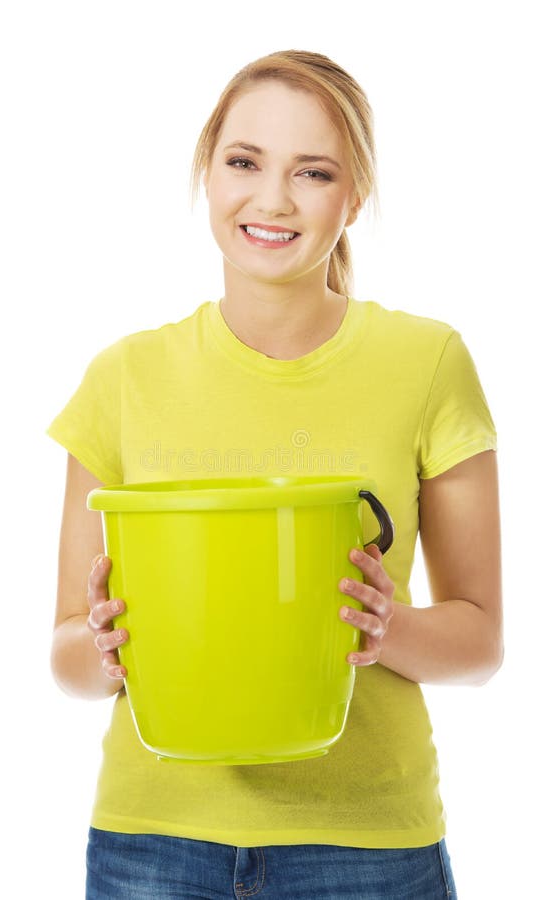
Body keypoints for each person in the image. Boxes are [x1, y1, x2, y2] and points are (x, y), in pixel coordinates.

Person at [46, 49, 503, 899]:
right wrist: (104, 650)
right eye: (244, 162)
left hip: (364, 845)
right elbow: (67, 651)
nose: (271, 200)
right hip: (153, 841)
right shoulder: (123, 378)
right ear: (208, 171)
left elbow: (480, 643)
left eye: (313, 172)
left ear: (353, 197)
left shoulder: (428, 361)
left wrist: (386, 629)